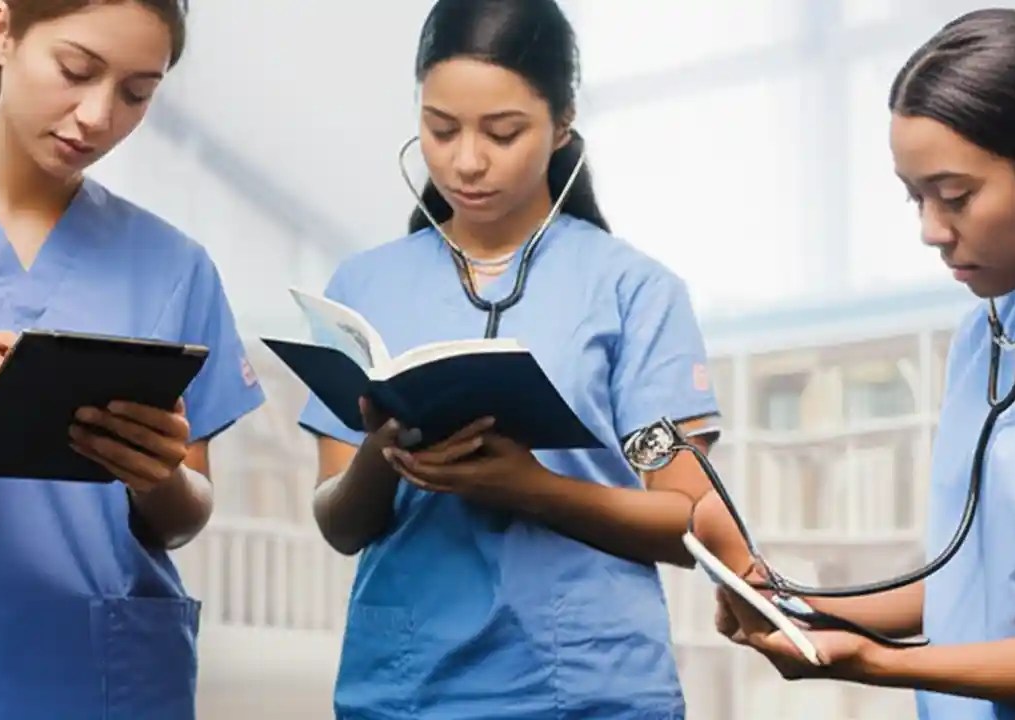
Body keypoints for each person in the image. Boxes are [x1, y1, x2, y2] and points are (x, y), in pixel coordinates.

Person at [699, 8, 1015, 719]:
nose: (929, 230)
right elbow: (976, 583)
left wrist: (886, 667)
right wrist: (808, 609)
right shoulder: (995, 323)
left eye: (955, 196)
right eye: (914, 196)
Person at [302, 0, 722, 717]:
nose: (466, 161)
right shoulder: (363, 287)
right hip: (407, 688)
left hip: (589, 688)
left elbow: (693, 525)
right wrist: (383, 449)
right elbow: (340, 525)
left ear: (563, 124)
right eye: (440, 129)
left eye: (503, 132)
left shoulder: (634, 292)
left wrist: (529, 487)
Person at [0, 1, 263, 717]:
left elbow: (183, 517)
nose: (99, 116)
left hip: (110, 679)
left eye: (136, 93)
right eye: (76, 70)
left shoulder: (174, 267)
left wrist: (159, 475)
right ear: (2, 30)